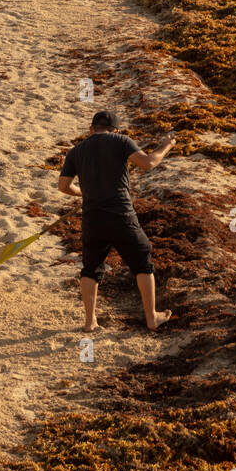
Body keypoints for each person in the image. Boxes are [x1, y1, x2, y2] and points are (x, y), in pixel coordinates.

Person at [57, 111, 175, 332]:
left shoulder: (77, 151)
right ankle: (152, 317)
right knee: (142, 261)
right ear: (116, 130)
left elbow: (63, 186)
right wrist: (166, 145)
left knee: (91, 268)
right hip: (121, 215)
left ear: (91, 129)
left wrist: (82, 192)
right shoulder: (121, 140)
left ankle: (90, 322)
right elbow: (149, 163)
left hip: (93, 217)